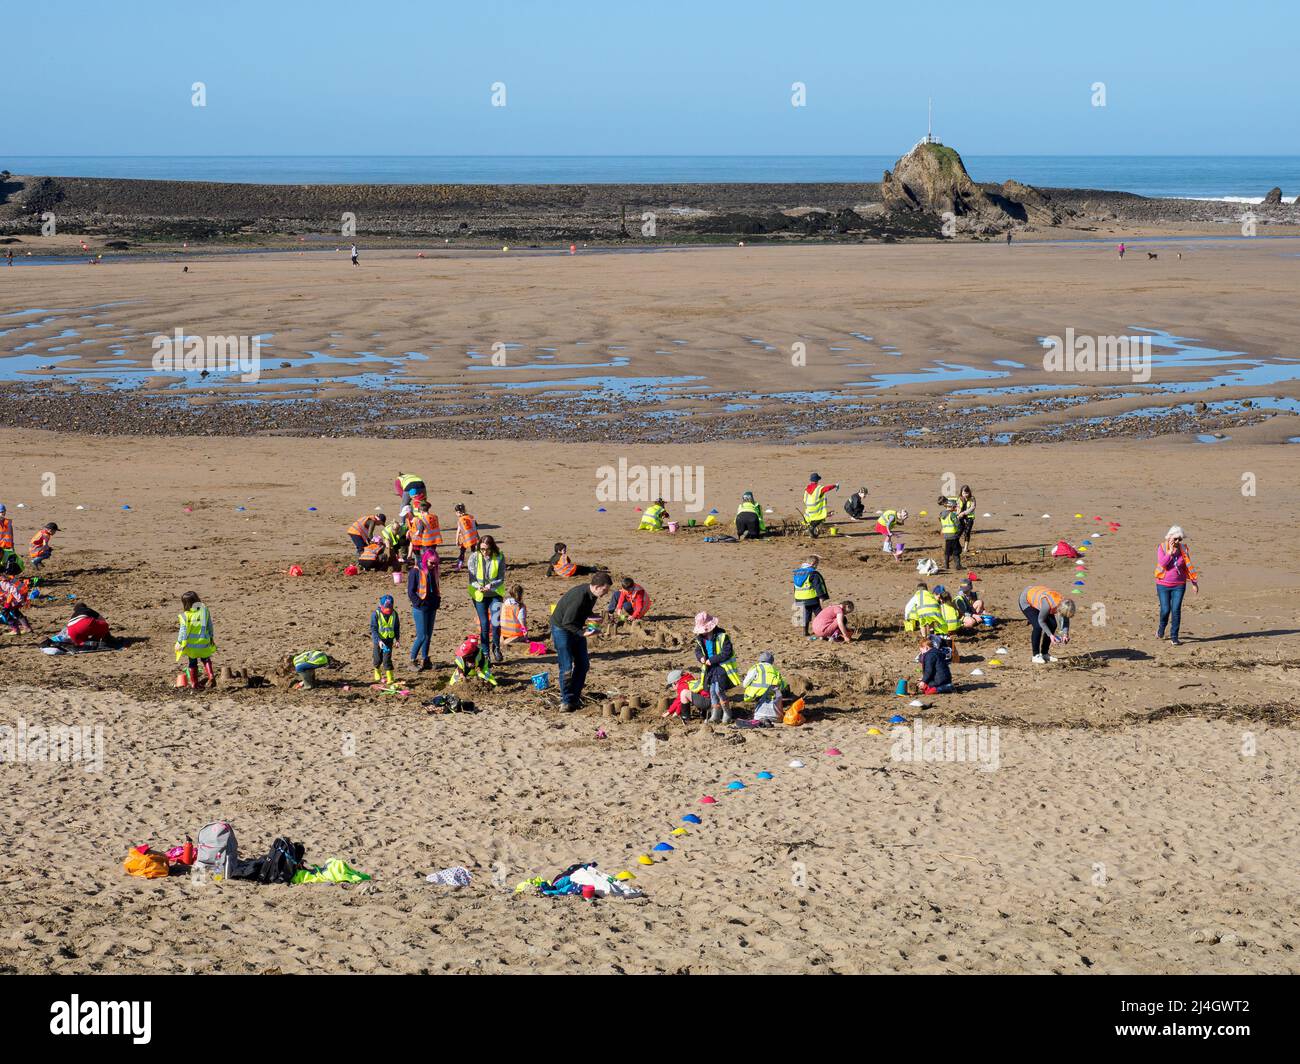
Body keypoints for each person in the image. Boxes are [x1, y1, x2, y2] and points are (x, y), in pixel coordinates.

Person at [550, 572, 614, 711]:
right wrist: (583, 633)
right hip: (562, 629)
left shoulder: (592, 595)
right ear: (597, 587)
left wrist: (593, 618)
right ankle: (566, 702)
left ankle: (574, 698)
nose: (606, 593)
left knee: (583, 664)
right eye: (605, 590)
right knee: (566, 668)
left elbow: (583, 611)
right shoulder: (579, 597)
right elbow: (567, 622)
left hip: (575, 627)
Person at [691, 612, 742, 724]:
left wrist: (712, 659)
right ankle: (716, 714)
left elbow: (727, 652)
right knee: (712, 691)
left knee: (719, 690)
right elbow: (698, 651)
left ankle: (727, 713)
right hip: (710, 669)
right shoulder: (700, 639)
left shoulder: (722, 637)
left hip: (721, 667)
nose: (704, 633)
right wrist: (701, 658)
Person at [1155, 525, 1198, 646]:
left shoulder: (1184, 549)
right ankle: (1161, 629)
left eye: (1180, 539)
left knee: (1176, 610)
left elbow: (1188, 566)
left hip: (1179, 585)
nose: (1178, 541)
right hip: (1163, 584)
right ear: (1170, 537)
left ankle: (1174, 637)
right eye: (1176, 538)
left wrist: (1194, 583)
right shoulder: (1162, 547)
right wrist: (1170, 553)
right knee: (1165, 610)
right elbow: (1162, 564)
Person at [468, 535, 506, 663]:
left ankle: (496, 648)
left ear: (492, 547)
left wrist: (491, 585)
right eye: (482, 549)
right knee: (484, 625)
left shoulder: (500, 556)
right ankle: (485, 652)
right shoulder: (474, 557)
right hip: (479, 595)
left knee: (495, 622)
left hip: (495, 593)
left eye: (487, 549)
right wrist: (479, 587)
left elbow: (501, 578)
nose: (484, 552)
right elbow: (472, 578)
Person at [1019, 584, 1075, 663]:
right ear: (1059, 610)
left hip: (1039, 597)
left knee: (1053, 624)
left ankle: (1044, 653)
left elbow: (1065, 620)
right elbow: (1041, 620)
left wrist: (1065, 634)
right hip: (1026, 600)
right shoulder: (1048, 605)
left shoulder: (1066, 604)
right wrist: (1051, 635)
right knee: (1038, 626)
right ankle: (1035, 655)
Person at [406, 547, 440, 671]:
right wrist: (419, 603)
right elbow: (411, 592)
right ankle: (412, 660)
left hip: (431, 606)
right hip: (420, 608)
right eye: (431, 563)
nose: (434, 565)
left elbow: (435, 587)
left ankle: (425, 659)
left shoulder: (434, 571)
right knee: (422, 636)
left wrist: (437, 601)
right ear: (425, 560)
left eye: (436, 563)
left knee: (428, 635)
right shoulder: (415, 571)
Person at [175, 591, 216, 689]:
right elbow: (210, 625)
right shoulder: (204, 611)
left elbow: (183, 631)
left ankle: (194, 684)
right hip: (204, 642)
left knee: (192, 662)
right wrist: (211, 637)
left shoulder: (185, 616)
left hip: (191, 646)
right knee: (206, 659)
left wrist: (179, 642)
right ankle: (211, 676)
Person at [740, 651, 786, 724]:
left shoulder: (756, 668)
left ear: (760, 660)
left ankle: (763, 719)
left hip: (759, 714)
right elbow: (783, 686)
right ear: (771, 662)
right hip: (777, 717)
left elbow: (745, 684)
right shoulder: (775, 671)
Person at [43, 603, 114, 649]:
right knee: (104, 625)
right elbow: (102, 620)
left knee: (83, 643)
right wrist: (106, 635)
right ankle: (95, 641)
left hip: (71, 631)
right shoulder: (86, 609)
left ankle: (88, 643)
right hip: (83, 624)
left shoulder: (73, 615)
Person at [792, 555, 828, 638]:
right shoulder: (813, 573)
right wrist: (821, 597)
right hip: (811, 598)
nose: (816, 567)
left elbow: (795, 586)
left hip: (799, 598)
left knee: (805, 615)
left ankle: (805, 632)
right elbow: (818, 586)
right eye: (816, 564)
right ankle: (823, 630)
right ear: (813, 563)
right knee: (819, 614)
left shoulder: (797, 573)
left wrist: (796, 598)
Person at [370, 594, 400, 685]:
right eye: (386, 608)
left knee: (387, 659)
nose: (388, 611)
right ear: (381, 605)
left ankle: (390, 677)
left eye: (390, 609)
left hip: (388, 641)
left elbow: (396, 627)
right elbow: (373, 629)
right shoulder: (375, 614)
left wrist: (397, 639)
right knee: (377, 658)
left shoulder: (394, 614)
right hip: (378, 641)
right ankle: (377, 670)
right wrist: (378, 641)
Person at [802, 473, 838, 538]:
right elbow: (827, 488)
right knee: (821, 517)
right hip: (815, 508)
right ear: (817, 480)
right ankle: (811, 528)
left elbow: (804, 498)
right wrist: (835, 485)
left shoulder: (807, 488)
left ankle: (811, 530)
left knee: (812, 519)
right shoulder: (818, 488)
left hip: (808, 508)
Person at [938, 497, 962, 571]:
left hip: (946, 536)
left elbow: (941, 522)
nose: (955, 508)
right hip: (954, 535)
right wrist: (959, 532)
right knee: (956, 550)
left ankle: (946, 565)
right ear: (951, 507)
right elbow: (958, 525)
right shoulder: (952, 515)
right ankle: (958, 565)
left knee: (947, 551)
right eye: (954, 507)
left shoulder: (941, 514)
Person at [453, 503, 479, 570]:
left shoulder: (460, 519)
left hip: (465, 539)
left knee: (462, 551)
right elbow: (475, 527)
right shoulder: (471, 517)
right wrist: (477, 536)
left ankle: (459, 565)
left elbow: (458, 531)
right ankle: (476, 564)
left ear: (458, 512)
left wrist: (457, 540)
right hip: (473, 537)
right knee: (473, 551)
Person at [956, 485, 977, 551]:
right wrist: (957, 514)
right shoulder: (959, 499)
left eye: (966, 493)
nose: (965, 495)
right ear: (961, 492)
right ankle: (956, 546)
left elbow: (972, 508)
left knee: (967, 532)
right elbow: (958, 507)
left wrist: (964, 513)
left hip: (969, 517)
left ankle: (965, 548)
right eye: (963, 493)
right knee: (959, 531)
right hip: (961, 517)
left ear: (969, 492)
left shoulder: (972, 498)